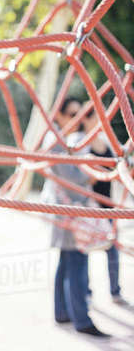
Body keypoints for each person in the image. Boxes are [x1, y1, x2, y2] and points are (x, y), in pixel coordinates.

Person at [42, 96, 109, 337]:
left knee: (66, 263)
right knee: (77, 264)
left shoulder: (66, 139)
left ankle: (62, 312)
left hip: (68, 211)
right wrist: (92, 174)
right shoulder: (56, 140)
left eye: (80, 115)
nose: (77, 120)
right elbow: (70, 178)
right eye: (72, 115)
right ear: (58, 115)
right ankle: (82, 320)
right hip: (69, 212)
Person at [82, 109, 127, 305]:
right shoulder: (78, 143)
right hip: (89, 207)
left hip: (109, 206)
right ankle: (86, 291)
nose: (100, 122)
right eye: (96, 118)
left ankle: (115, 291)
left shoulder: (106, 140)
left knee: (112, 249)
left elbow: (121, 162)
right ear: (85, 120)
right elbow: (79, 176)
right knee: (84, 251)